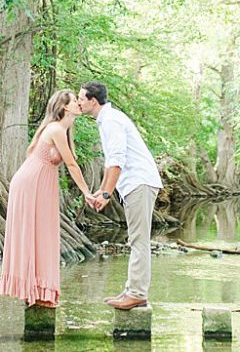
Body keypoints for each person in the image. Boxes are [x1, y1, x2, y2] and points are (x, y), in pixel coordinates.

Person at [0, 89, 98, 308]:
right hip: (31, 182)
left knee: (42, 234)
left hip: (42, 183)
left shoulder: (63, 130)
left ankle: (37, 290)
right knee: (34, 233)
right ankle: (34, 291)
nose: (79, 104)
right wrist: (87, 193)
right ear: (64, 106)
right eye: (75, 101)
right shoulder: (55, 129)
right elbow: (71, 164)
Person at [79, 81, 163, 311]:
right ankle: (131, 290)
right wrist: (102, 189)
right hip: (135, 183)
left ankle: (137, 293)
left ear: (92, 101)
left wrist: (106, 194)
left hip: (139, 182)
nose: (78, 102)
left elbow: (117, 160)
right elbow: (111, 164)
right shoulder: (108, 119)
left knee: (138, 239)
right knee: (136, 238)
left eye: (81, 98)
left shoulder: (111, 120)